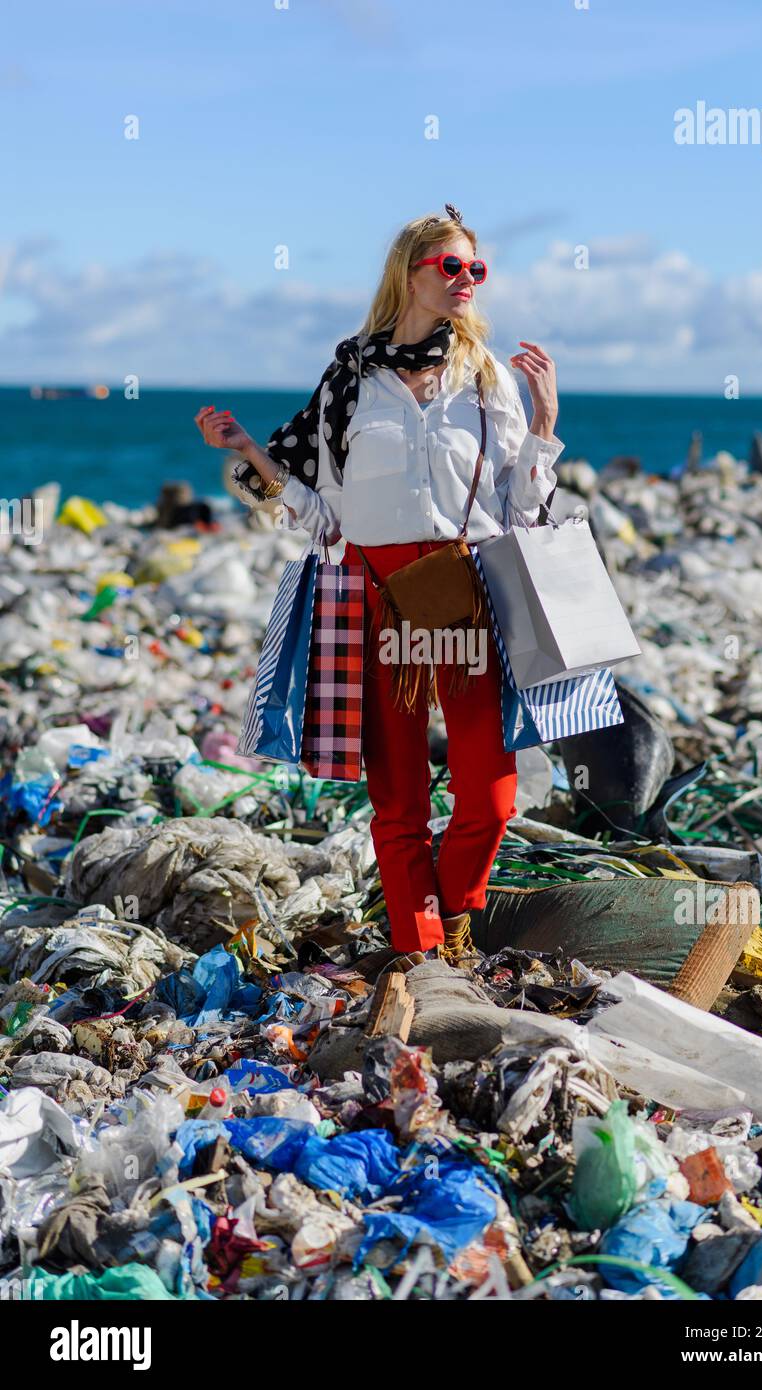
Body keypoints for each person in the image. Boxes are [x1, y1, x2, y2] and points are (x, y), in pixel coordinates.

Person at [195, 206, 564, 965]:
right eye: (451, 268)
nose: (466, 282)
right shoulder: (349, 383)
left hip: (467, 592)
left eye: (476, 269)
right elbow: (323, 517)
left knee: (489, 794)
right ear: (410, 274)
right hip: (373, 594)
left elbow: (521, 510)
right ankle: (419, 952)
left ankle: (456, 914)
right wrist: (249, 453)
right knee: (396, 799)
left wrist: (546, 423)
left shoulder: (487, 378)